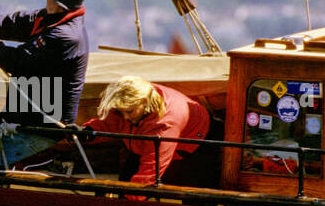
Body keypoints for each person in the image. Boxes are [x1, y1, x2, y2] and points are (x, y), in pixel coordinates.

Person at [84, 76, 222, 188]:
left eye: (129, 112)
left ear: (144, 102)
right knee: (126, 184)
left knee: (194, 197)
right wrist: (87, 132)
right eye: (121, 112)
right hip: (144, 142)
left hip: (195, 146)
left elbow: (150, 170)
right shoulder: (131, 100)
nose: (125, 117)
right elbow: (112, 121)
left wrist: (128, 203)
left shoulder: (165, 124)